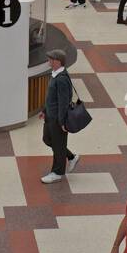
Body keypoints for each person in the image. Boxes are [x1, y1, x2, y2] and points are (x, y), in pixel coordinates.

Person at [39, 49, 79, 184]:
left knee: (58, 144)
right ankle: (71, 157)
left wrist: (62, 122)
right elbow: (51, 98)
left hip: (57, 119)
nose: (48, 61)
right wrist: (45, 110)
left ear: (57, 61)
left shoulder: (62, 79)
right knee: (48, 139)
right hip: (50, 116)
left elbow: (63, 102)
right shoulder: (55, 75)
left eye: (50, 59)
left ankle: (57, 172)